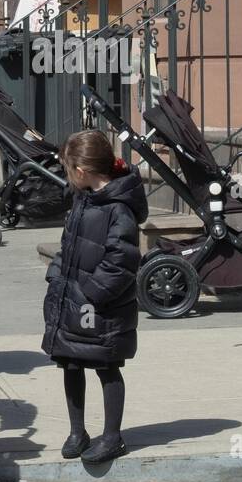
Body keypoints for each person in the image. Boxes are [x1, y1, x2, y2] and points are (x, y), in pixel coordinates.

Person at [42, 130, 147, 465]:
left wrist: (89, 294)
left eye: (68, 169)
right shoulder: (84, 199)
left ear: (83, 171)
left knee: (106, 366)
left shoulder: (119, 210)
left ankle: (113, 436)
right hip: (72, 298)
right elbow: (68, 243)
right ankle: (78, 431)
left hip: (100, 307)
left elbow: (122, 262)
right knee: (70, 362)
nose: (67, 175)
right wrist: (57, 274)